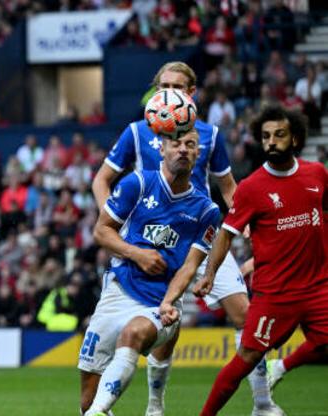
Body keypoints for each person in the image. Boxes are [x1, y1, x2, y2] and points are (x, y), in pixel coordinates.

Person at [90, 61, 281, 415]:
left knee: (245, 315)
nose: (170, 92)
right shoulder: (137, 131)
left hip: (201, 233)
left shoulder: (210, 134)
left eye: (178, 86)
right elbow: (101, 180)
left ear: (191, 93)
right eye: (163, 85)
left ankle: (263, 405)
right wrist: (114, 217)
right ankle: (155, 406)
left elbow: (226, 187)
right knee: (164, 323)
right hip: (154, 240)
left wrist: (251, 223)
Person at [80, 129, 221, 416]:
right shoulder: (138, 183)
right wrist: (137, 254)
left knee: (133, 333)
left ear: (198, 154)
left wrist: (170, 301)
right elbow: (101, 231)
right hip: (119, 290)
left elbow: (190, 265)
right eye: (176, 144)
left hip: (160, 302)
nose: (182, 149)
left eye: (190, 145)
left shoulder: (207, 210)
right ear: (162, 150)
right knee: (86, 400)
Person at [198, 105, 328, 415]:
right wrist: (210, 275)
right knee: (246, 359)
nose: (271, 142)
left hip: (317, 288)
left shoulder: (317, 174)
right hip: (275, 295)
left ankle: (280, 367)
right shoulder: (252, 188)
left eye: (279, 135)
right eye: (266, 136)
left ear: (295, 139)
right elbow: (226, 235)